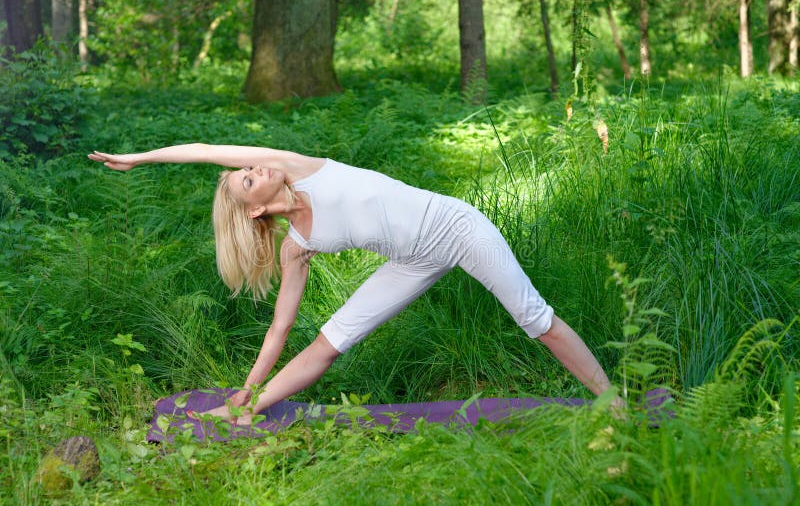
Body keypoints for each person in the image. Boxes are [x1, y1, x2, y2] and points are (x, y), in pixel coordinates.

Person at [89, 144, 618, 425]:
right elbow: (282, 326)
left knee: (535, 320)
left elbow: (206, 149)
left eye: (248, 167)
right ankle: (244, 412)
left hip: (457, 229)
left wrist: (142, 158)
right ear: (253, 210)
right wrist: (247, 390)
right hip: (411, 261)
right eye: (248, 177)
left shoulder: (303, 168)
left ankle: (611, 399)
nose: (254, 166)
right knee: (327, 343)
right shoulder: (296, 243)